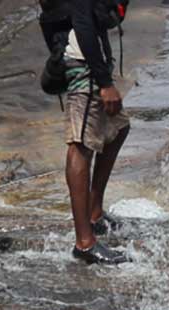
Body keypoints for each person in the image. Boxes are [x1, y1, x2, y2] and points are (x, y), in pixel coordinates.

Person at [60, 0, 132, 265]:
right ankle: (84, 243)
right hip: (84, 65)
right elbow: (82, 23)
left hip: (96, 61)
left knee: (118, 128)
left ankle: (94, 212)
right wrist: (104, 83)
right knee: (80, 146)